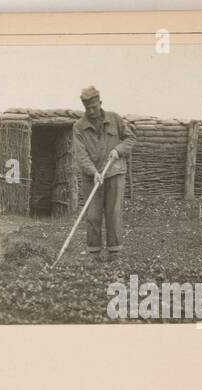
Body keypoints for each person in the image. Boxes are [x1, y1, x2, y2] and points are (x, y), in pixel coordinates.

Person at [72, 85, 136, 259]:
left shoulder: (114, 119)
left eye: (94, 106)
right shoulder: (78, 127)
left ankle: (114, 251)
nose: (91, 111)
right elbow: (81, 154)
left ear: (100, 103)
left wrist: (118, 150)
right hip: (91, 176)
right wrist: (93, 172)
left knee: (113, 212)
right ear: (84, 107)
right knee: (92, 214)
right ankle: (94, 252)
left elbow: (130, 138)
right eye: (88, 108)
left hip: (114, 172)